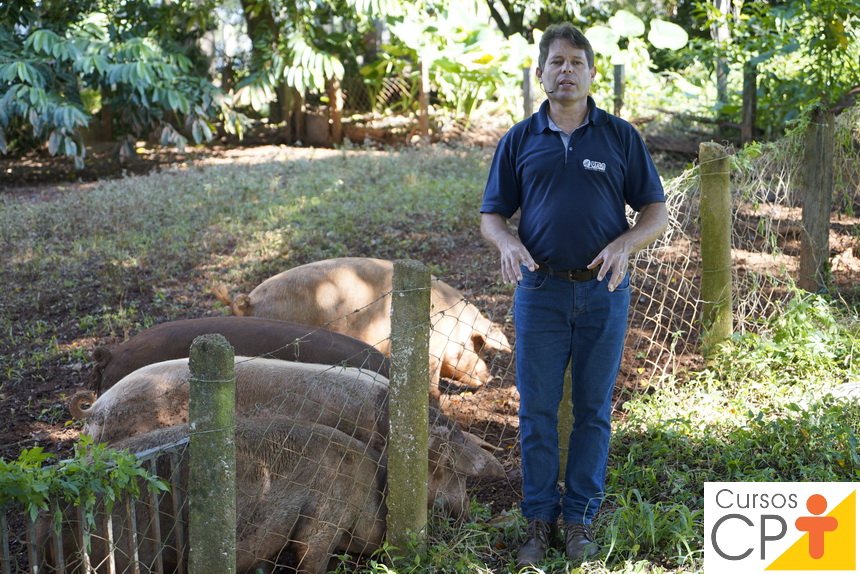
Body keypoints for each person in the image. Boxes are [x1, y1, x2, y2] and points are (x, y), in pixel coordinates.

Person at [479, 23, 668, 569]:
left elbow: (654, 212)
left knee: (593, 411)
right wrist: (506, 241)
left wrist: (626, 244)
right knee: (536, 412)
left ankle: (580, 517)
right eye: (556, 62)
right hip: (538, 293)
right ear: (541, 73)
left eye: (576, 62)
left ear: (590, 73)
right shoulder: (519, 139)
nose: (566, 71)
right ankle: (538, 520)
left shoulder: (619, 137)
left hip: (603, 293)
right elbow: (492, 213)